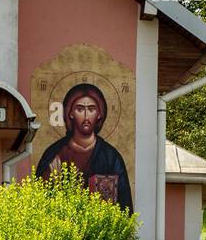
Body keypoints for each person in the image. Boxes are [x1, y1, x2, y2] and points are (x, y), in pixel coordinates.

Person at [36, 82, 133, 212]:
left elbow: (124, 206)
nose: (86, 116)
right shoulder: (55, 154)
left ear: (99, 114)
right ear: (70, 113)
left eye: (91, 109)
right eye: (80, 109)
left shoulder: (111, 157)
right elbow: (39, 200)